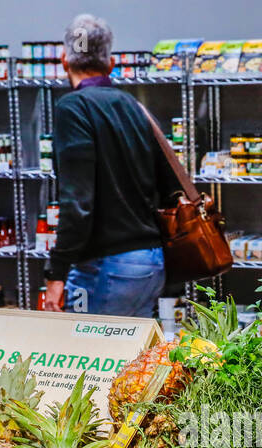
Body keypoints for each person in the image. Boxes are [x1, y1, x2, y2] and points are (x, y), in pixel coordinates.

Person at [43, 14, 180, 317]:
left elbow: (77, 201)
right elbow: (170, 186)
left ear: (65, 60)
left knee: (87, 359)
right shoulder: (134, 107)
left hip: (107, 267)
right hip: (150, 265)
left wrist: (56, 274)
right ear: (111, 63)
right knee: (133, 361)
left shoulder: (73, 108)